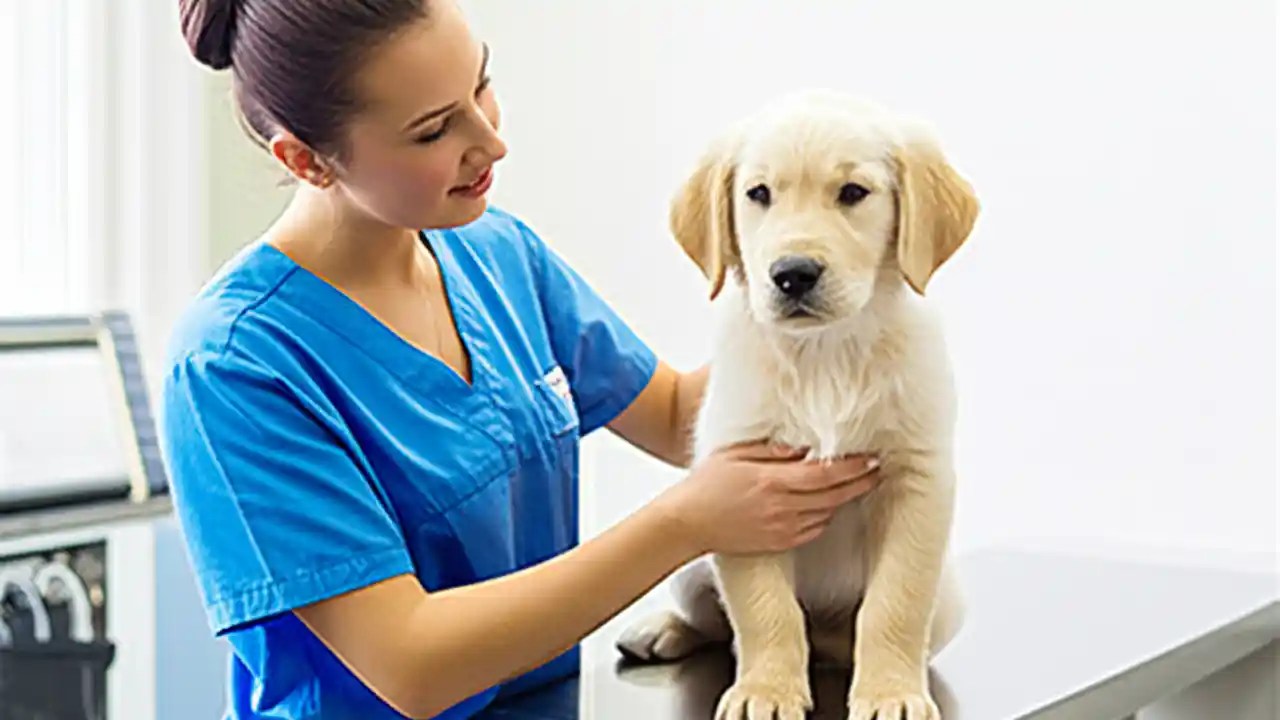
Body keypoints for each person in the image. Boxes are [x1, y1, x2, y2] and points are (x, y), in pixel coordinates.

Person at [162, 1, 883, 718]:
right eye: (435, 130)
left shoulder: (498, 255)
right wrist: (688, 522)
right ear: (306, 160)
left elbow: (674, 416)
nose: (490, 142)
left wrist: (839, 320)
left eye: (480, 85)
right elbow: (410, 667)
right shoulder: (237, 366)